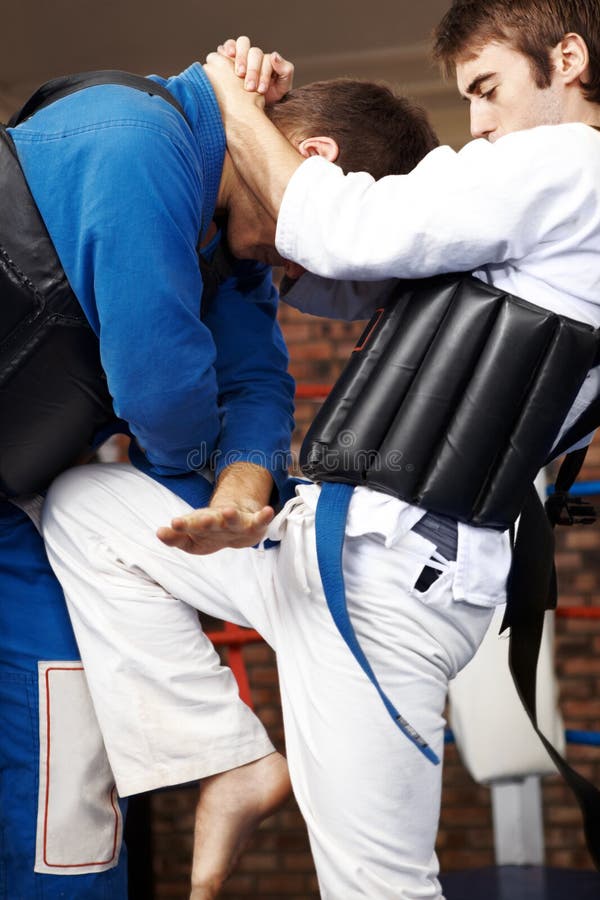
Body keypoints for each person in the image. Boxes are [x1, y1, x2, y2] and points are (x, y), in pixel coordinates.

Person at [42, 3, 600, 896]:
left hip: (388, 587)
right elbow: (342, 277)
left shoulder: (577, 162)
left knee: (376, 887)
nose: (481, 123)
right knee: (87, 508)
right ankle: (224, 758)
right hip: (319, 544)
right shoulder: (522, 208)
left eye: (488, 90)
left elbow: (338, 231)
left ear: (568, 59)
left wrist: (230, 101)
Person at [0, 65, 439, 900]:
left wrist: (236, 492)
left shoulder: (231, 247)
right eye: (335, 234)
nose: (310, 270)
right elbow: (159, 387)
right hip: (28, 481)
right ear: (311, 161)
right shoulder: (137, 140)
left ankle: (227, 762)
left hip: (16, 508)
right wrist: (191, 509)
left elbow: (260, 389)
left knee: (67, 775)